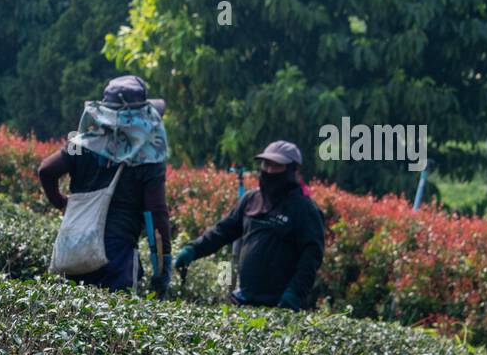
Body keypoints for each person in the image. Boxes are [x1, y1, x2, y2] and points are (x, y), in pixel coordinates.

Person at [39, 75, 172, 294]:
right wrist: (162, 266)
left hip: (77, 245)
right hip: (118, 253)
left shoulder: (81, 143)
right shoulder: (148, 157)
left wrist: (61, 203)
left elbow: (46, 170)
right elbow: (157, 213)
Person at [174, 141, 325, 310]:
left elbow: (312, 255)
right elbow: (223, 231)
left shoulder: (304, 209)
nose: (269, 171)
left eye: (276, 166)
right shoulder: (251, 199)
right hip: (244, 301)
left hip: (280, 306)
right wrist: (193, 249)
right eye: (266, 164)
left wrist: (295, 292)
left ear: (293, 171)